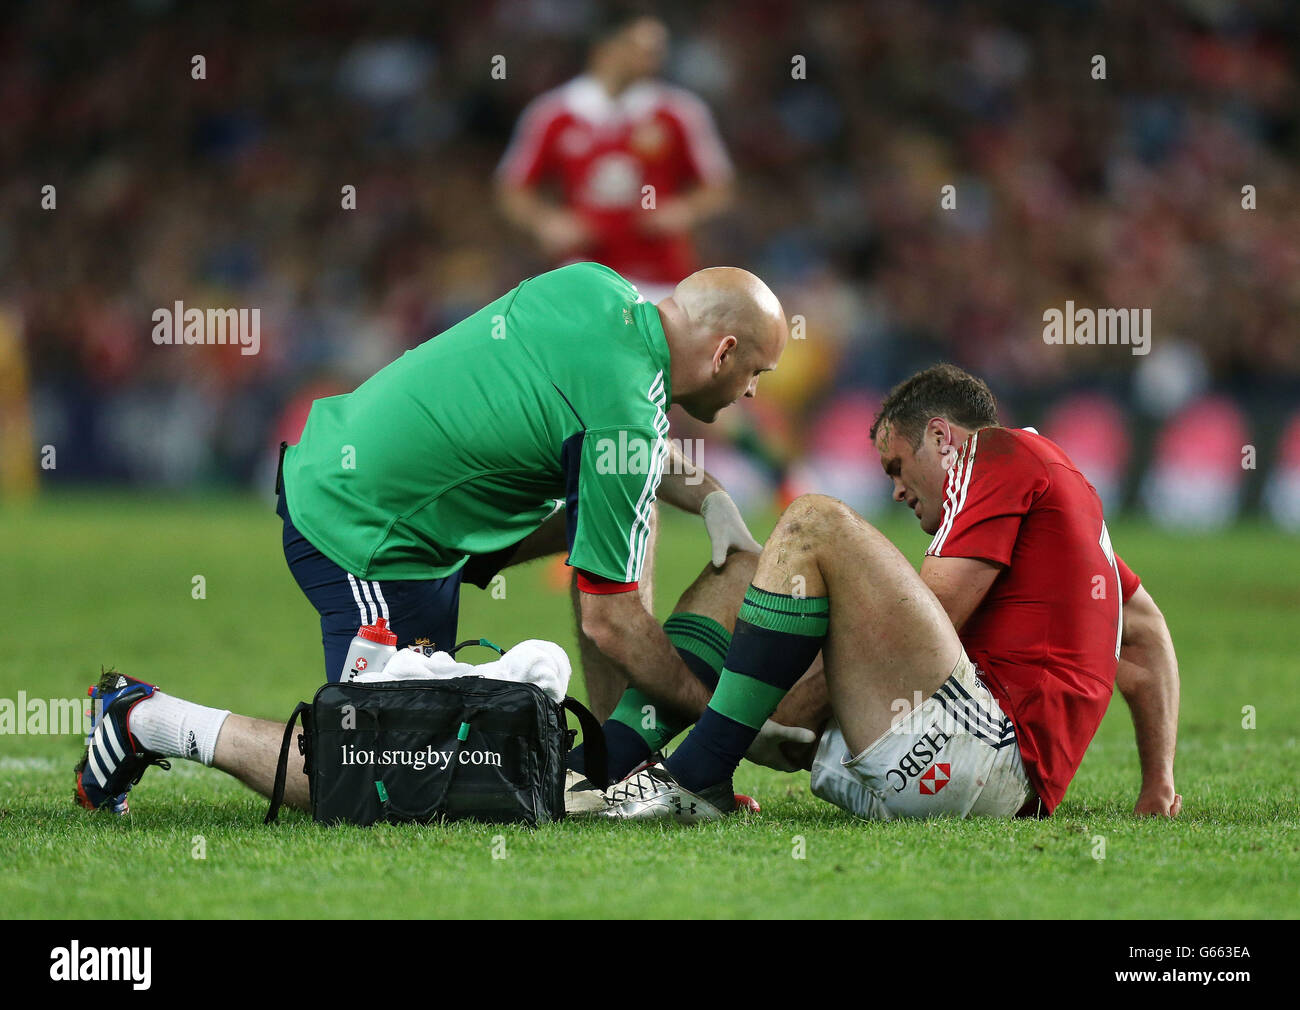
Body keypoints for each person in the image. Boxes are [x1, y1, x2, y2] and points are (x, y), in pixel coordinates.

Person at [74, 260, 788, 813]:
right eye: (757, 372)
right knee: (380, 776)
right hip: (363, 529)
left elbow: (620, 446)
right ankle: (146, 719)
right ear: (724, 351)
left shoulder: (595, 287)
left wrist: (711, 494)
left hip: (418, 516)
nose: (752, 392)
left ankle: (602, 766)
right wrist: (732, 724)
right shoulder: (626, 410)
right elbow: (613, 619)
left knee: (622, 517)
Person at [600, 364, 1183, 822]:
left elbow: (936, 614)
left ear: (941, 437)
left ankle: (698, 770)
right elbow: (1143, 632)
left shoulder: (999, 454)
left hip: (979, 756)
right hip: (941, 769)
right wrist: (1159, 786)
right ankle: (599, 769)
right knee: (742, 571)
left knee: (813, 521)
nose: (899, 491)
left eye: (898, 467)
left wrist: (782, 712)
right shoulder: (1064, 501)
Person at [495, 11, 733, 304]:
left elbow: (718, 186)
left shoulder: (680, 112)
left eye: (657, 49)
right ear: (606, 49)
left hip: (661, 274)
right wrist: (547, 221)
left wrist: (684, 210)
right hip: (582, 269)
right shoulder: (553, 114)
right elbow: (512, 188)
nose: (654, 58)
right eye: (642, 48)